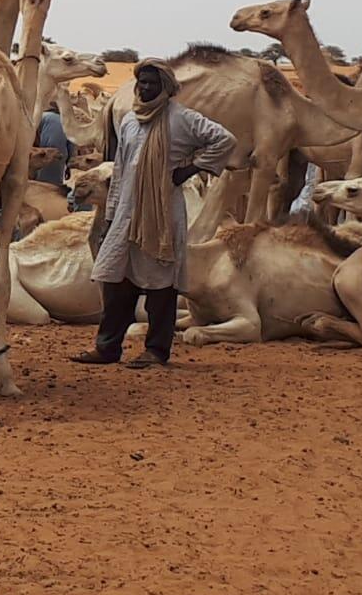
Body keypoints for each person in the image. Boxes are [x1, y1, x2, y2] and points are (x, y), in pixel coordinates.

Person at [71, 59, 236, 368]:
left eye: (152, 83)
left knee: (161, 285)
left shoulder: (182, 119)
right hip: (126, 212)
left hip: (161, 214)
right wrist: (110, 216)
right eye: (142, 82)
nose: (145, 88)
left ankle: (156, 351)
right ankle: (107, 348)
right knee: (118, 282)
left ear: (166, 87)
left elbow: (224, 139)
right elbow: (120, 170)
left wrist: (188, 170)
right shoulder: (130, 122)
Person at [34, 104, 69, 185]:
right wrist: (69, 165)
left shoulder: (41, 117)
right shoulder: (65, 121)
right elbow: (72, 145)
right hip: (61, 154)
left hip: (45, 150)